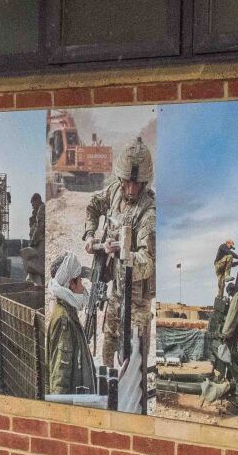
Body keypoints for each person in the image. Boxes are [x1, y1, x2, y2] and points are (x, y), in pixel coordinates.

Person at [84, 140, 156, 413]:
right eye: (126, 181)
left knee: (133, 360)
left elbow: (147, 262)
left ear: (145, 182)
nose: (130, 189)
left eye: (136, 184)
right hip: (115, 291)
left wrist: (123, 253)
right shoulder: (115, 191)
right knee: (107, 349)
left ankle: (134, 412)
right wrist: (91, 234)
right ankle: (107, 403)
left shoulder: (149, 213)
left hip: (136, 301)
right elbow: (93, 206)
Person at [43, 251, 92, 399]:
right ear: (71, 283)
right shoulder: (64, 319)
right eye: (80, 281)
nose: (83, 287)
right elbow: (60, 376)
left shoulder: (68, 312)